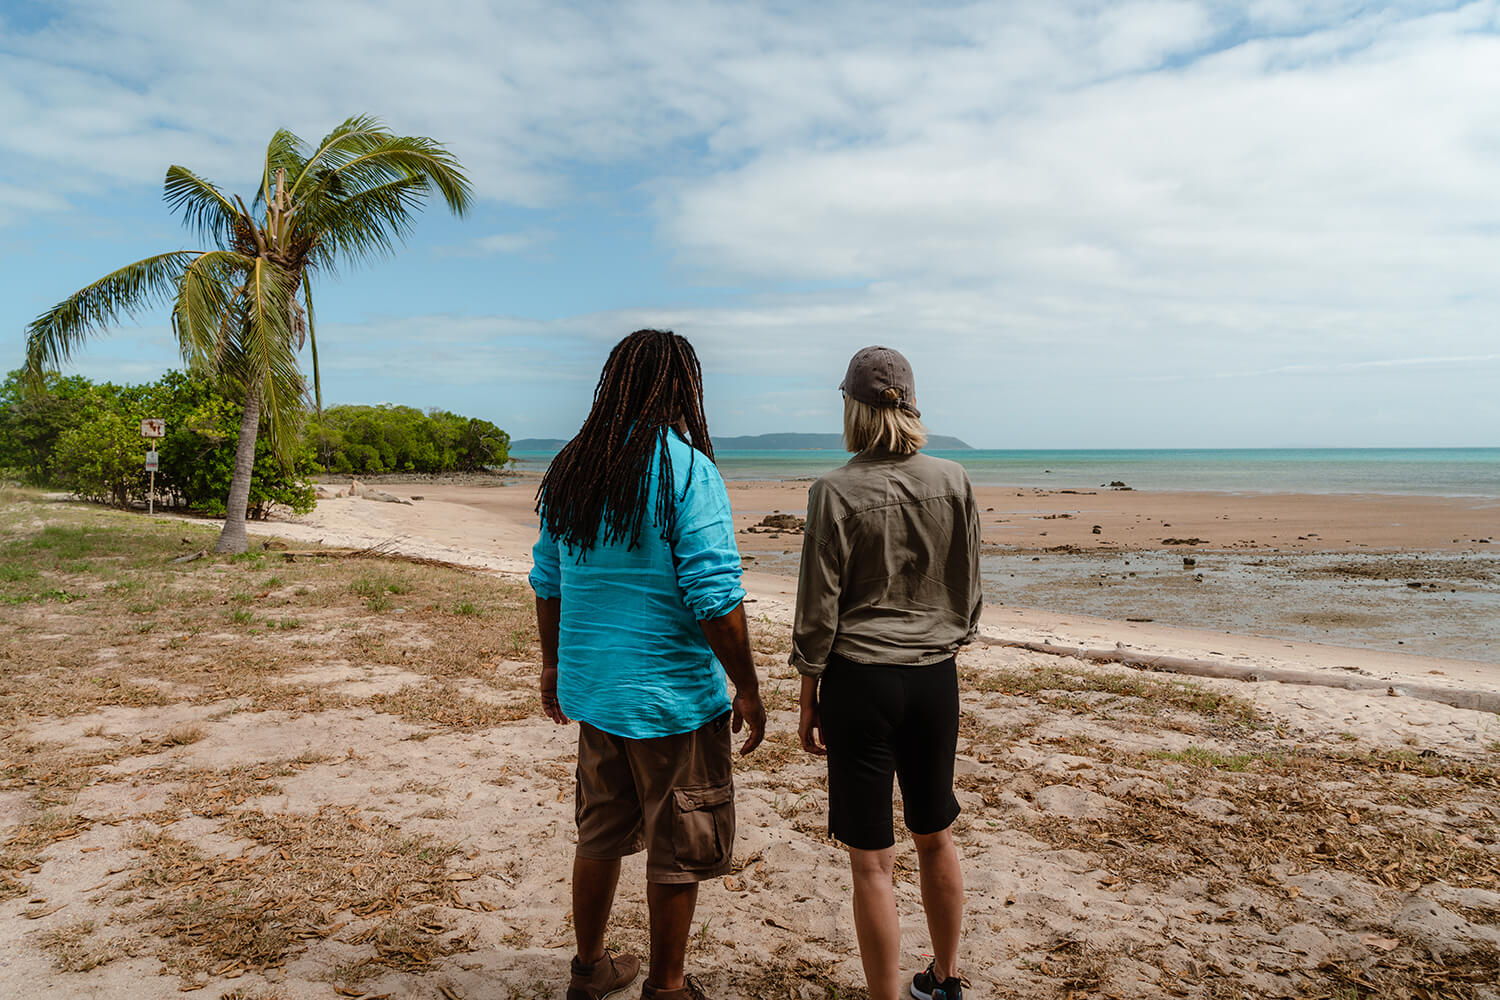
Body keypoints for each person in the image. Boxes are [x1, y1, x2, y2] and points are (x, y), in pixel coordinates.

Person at [529, 329, 766, 1000]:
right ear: (683, 389)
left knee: (599, 831)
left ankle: (589, 969)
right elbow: (716, 598)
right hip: (673, 702)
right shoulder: (686, 469)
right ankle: (667, 986)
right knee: (679, 840)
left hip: (596, 691)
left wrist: (553, 669)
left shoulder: (574, 467)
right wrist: (746, 687)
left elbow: (549, 582)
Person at [792, 346, 982, 1000]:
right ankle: (946, 979)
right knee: (935, 833)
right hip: (934, 679)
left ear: (852, 408)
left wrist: (807, 691)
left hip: (859, 682)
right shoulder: (954, 479)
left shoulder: (834, 492)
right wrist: (943, 641)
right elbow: (968, 587)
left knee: (872, 862)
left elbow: (817, 608)